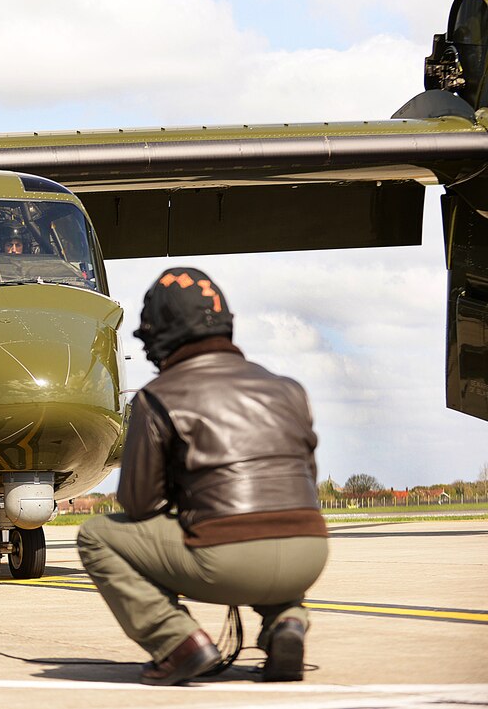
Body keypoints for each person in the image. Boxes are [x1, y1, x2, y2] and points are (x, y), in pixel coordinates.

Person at [77, 267, 328, 687]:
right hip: (309, 555)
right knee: (275, 516)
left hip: (229, 561)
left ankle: (179, 643)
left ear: (163, 335)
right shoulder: (289, 389)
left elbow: (139, 505)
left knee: (96, 536)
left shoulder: (157, 398)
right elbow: (305, 483)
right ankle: (287, 620)